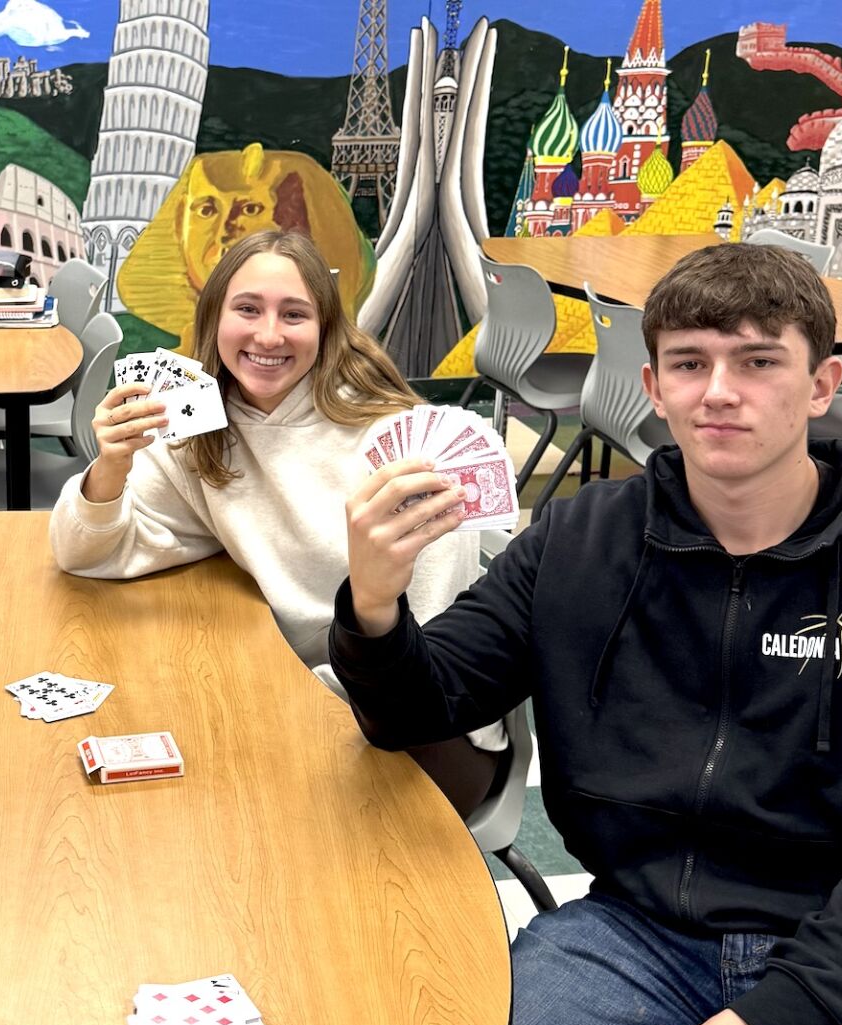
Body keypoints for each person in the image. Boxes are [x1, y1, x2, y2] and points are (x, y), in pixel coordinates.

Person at [331, 242, 842, 1025]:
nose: (718, 392)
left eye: (756, 361)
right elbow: (421, 709)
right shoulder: (577, 540)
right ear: (651, 385)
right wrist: (376, 605)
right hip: (636, 934)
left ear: (820, 385)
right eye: (689, 364)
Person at [51, 228, 506, 814]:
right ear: (214, 318)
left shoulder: (400, 445)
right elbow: (86, 554)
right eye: (247, 309)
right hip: (294, 694)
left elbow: (430, 662)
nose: (268, 335)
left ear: (327, 330)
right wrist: (111, 468)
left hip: (417, 726)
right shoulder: (200, 423)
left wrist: (275, 712)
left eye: (295, 314)